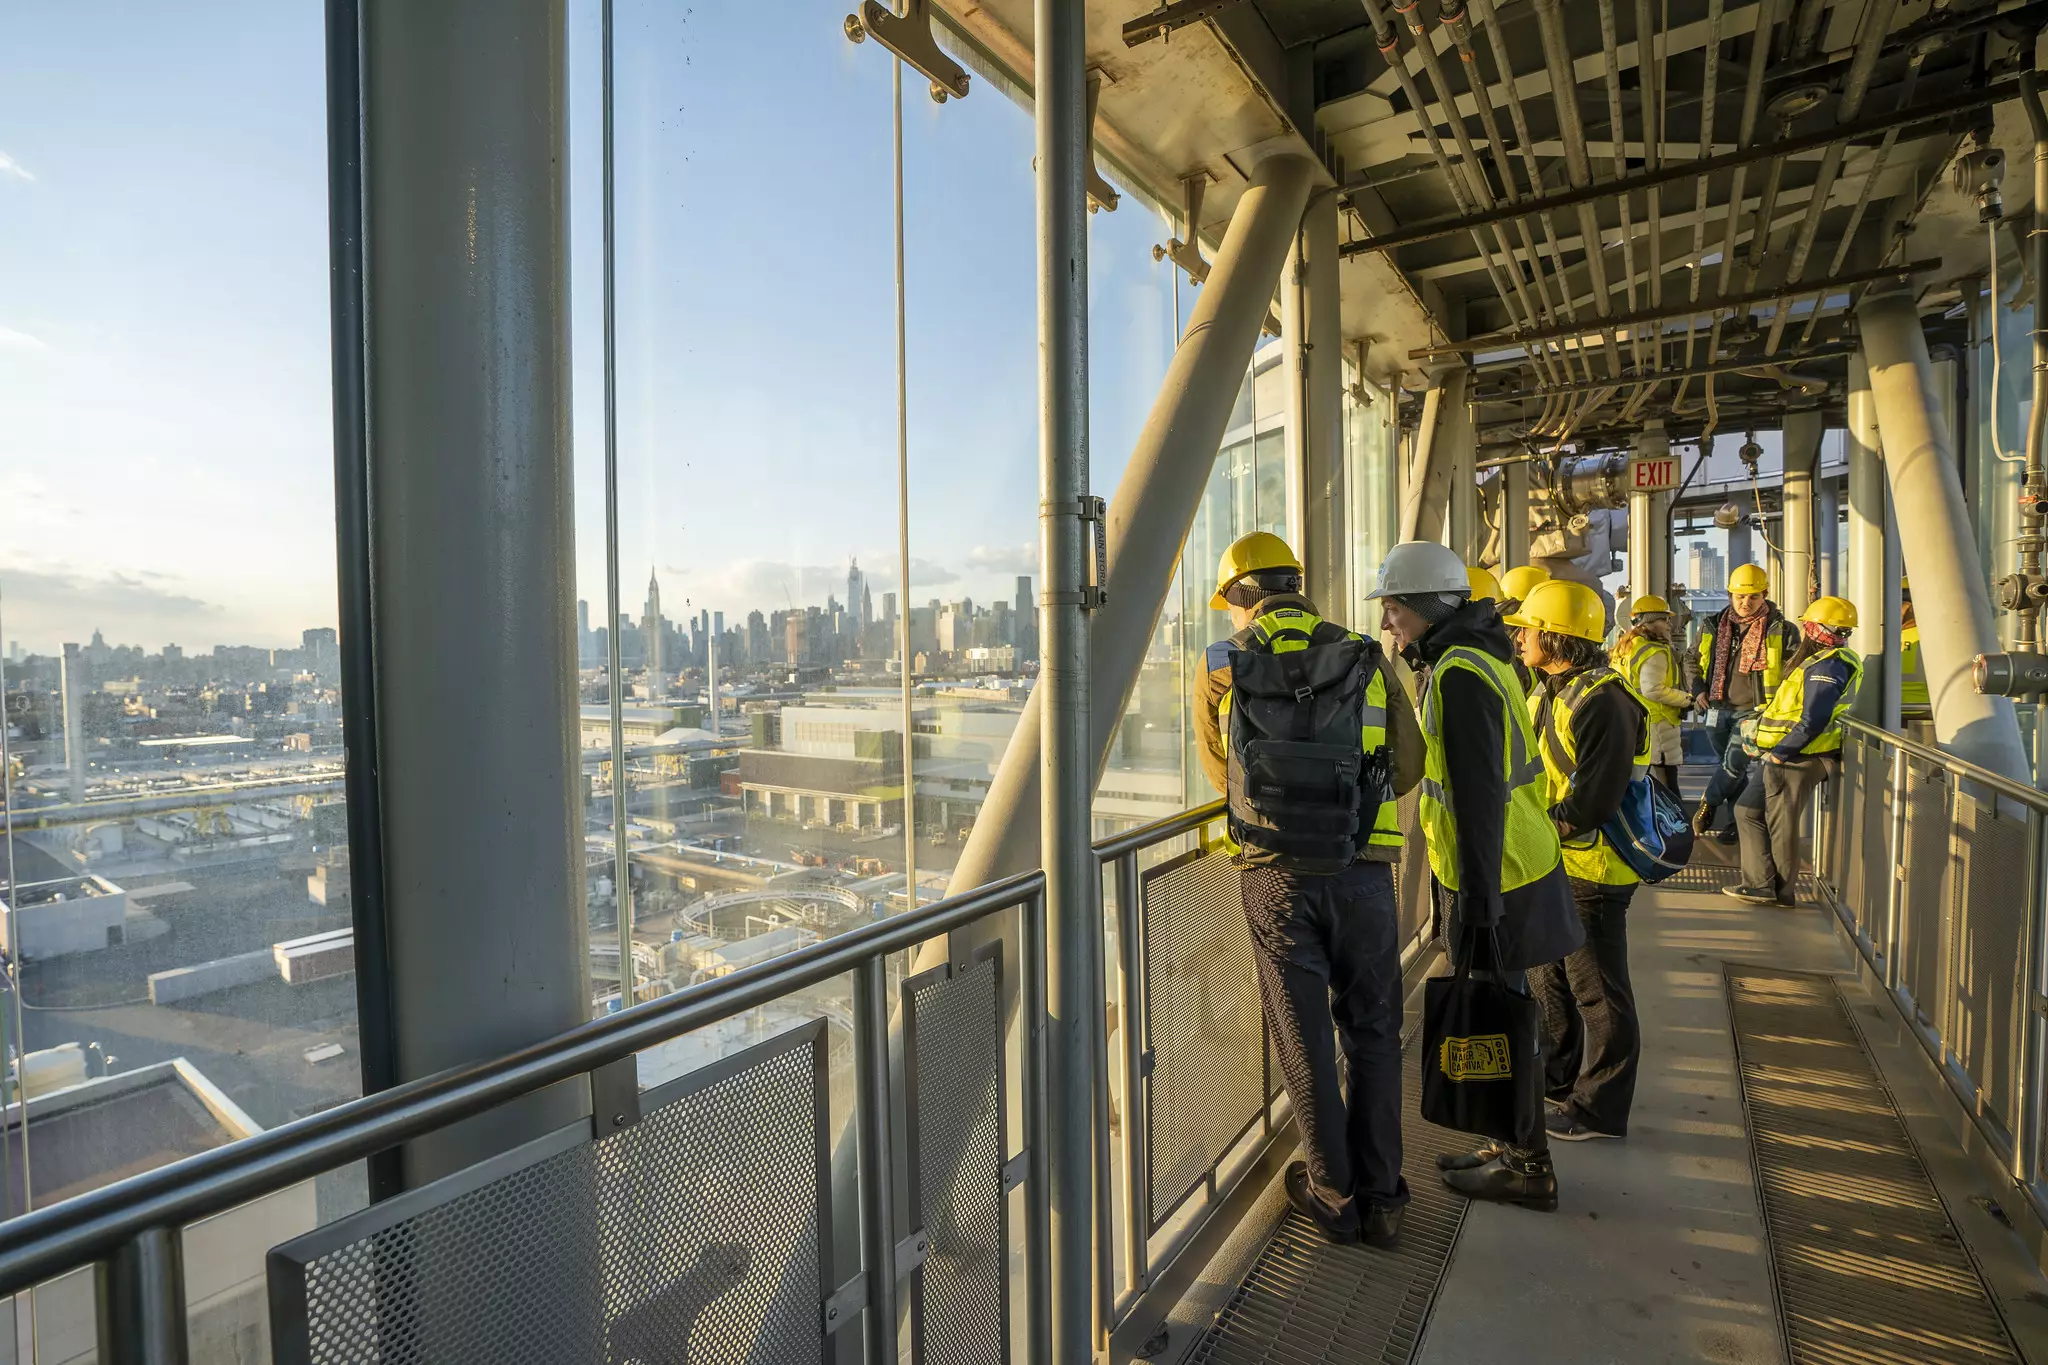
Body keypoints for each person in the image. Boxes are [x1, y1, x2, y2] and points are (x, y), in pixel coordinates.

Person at [1195, 531, 1424, 1248]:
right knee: (1375, 1032)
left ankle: (1333, 1191)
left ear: (1241, 598)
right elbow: (1409, 763)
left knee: (1304, 1039)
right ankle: (1384, 1198)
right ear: (1296, 583)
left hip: (1274, 875)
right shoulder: (1363, 653)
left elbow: (1218, 774)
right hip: (1364, 871)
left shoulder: (1222, 665)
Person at [1367, 540, 1581, 1210]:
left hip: (1501, 876)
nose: (1389, 623)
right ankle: (1505, 1140)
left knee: (1507, 1018)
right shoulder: (1480, 655)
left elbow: (1479, 791)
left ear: (1427, 606)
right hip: (1508, 864)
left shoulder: (1459, 673)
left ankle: (1529, 1163)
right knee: (1501, 1012)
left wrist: (1479, 899)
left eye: (1395, 607)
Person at [1507, 581, 1650, 1143]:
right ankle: (1557, 1082)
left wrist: (1535, 830)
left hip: (1594, 870)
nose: (1520, 637)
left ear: (1558, 636)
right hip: (1558, 862)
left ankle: (1600, 1109)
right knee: (1552, 980)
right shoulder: (1552, 689)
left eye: (1528, 627)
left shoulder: (1607, 702)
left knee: (1598, 991)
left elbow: (1593, 801)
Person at [1725, 597, 1863, 906]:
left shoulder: (1830, 665)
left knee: (1782, 826)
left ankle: (1779, 893)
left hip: (1800, 757)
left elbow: (1813, 718)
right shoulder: (1818, 663)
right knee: (1746, 810)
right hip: (1785, 754)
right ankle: (1760, 883)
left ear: (1814, 629)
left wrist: (1781, 753)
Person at [1690, 564, 1799, 838]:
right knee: (1730, 767)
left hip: (1754, 711)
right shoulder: (1713, 625)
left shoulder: (1782, 629)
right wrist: (1698, 689)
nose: (1745, 603)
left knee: (1734, 763)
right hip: (1716, 708)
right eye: (1739, 596)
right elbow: (1690, 659)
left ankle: (1708, 803)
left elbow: (1794, 671)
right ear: (1730, 595)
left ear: (1764, 596)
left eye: (1753, 597)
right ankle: (1738, 824)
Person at [1612, 595, 1689, 792]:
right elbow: (1652, 689)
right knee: (1667, 787)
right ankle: (1675, 823)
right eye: (1664, 619)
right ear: (1651, 622)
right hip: (1657, 723)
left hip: (1631, 720)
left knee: (1640, 783)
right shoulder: (1654, 651)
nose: (1669, 625)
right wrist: (1686, 699)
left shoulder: (1625, 648)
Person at [1900, 576, 1929, 711]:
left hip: (1924, 712)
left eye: (1902, 603)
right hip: (1893, 712)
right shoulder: (1932, 635)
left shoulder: (1928, 636)